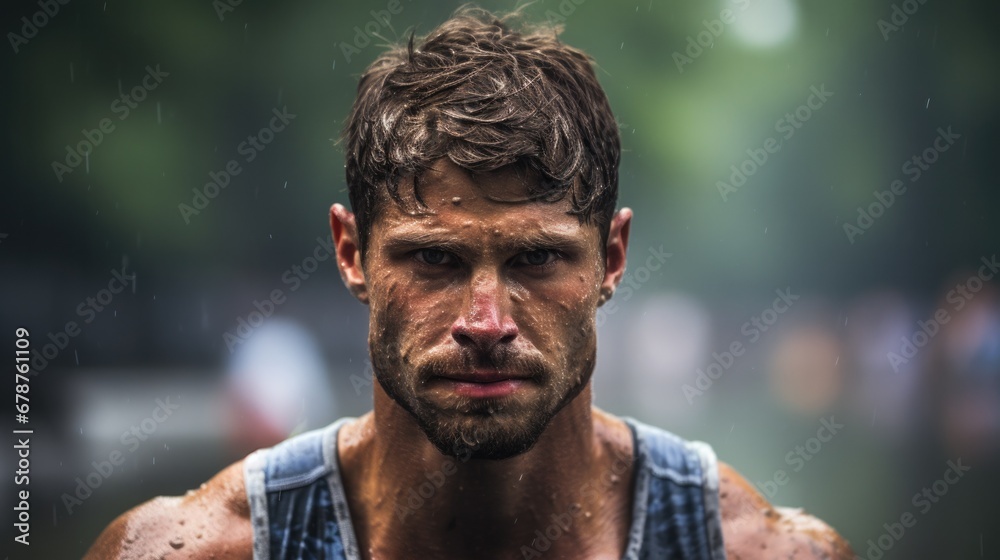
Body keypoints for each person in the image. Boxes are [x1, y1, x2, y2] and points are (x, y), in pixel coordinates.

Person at [85, 7, 853, 559]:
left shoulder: (765, 551)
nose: (486, 323)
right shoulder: (186, 549)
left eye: (536, 260)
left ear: (612, 259)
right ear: (351, 254)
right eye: (434, 260)